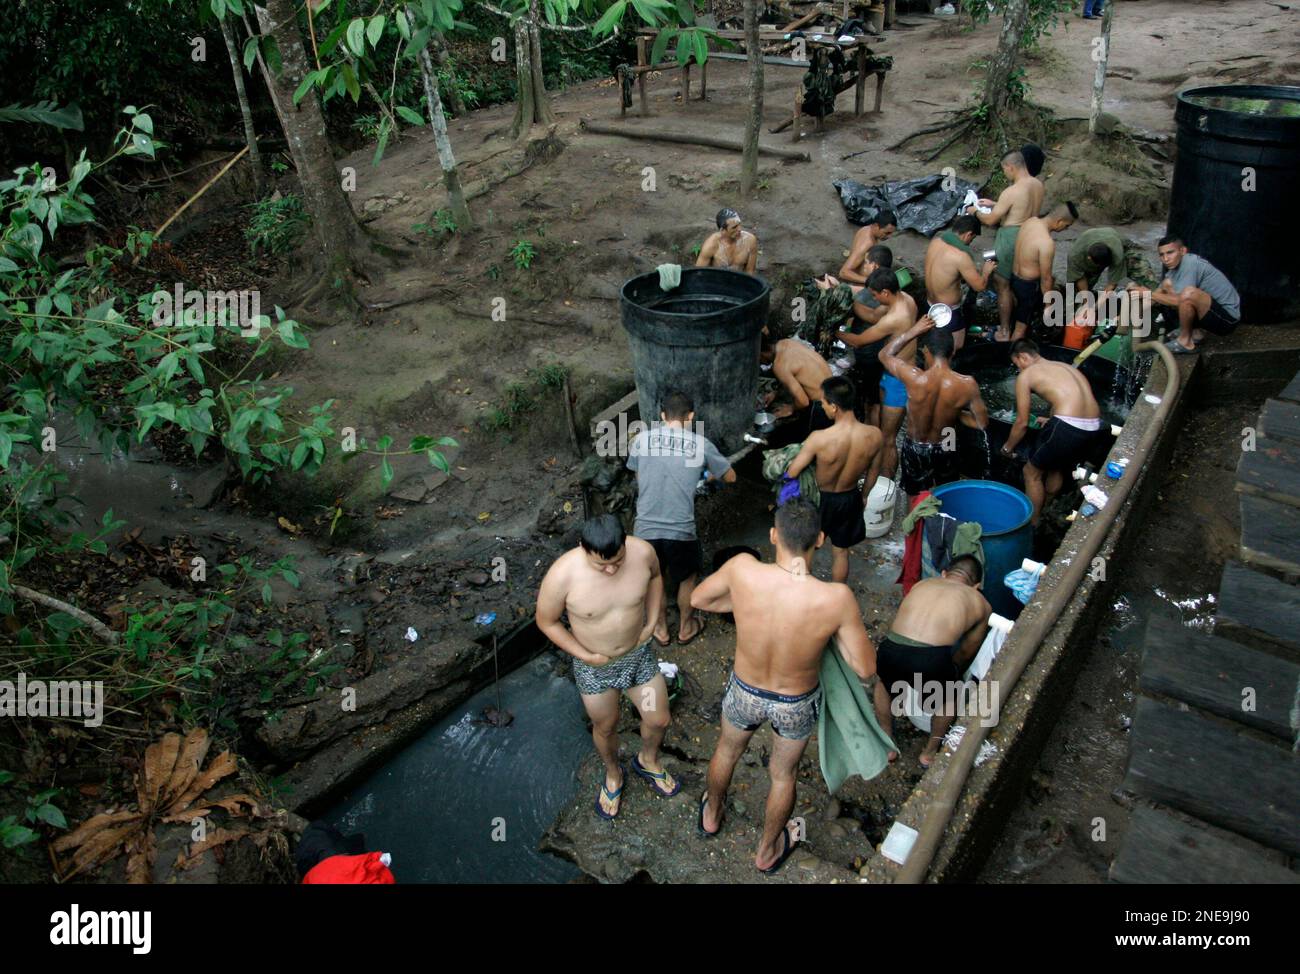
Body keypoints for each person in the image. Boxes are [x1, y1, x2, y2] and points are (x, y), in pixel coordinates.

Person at [691, 500, 877, 874]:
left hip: (745, 689)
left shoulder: (741, 570)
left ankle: (712, 814)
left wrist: (742, 605)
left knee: (727, 751)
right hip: (795, 701)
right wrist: (829, 636)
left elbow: (698, 599)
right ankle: (767, 850)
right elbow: (866, 669)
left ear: (773, 535)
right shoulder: (835, 599)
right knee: (782, 775)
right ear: (820, 540)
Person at [535, 515, 679, 819]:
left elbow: (655, 579)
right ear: (583, 549)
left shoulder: (642, 553)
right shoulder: (562, 574)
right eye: (602, 565)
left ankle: (648, 760)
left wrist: (652, 621)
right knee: (606, 725)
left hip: (637, 655)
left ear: (625, 544)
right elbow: (546, 621)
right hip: (595, 666)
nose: (612, 569)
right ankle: (614, 773)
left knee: (658, 719)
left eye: (617, 560)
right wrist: (584, 656)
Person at [627, 391, 736, 646]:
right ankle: (686, 627)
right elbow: (730, 477)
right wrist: (706, 475)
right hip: (681, 531)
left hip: (644, 530)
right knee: (687, 578)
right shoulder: (701, 444)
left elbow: (640, 478)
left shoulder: (641, 440)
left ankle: (661, 629)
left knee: (656, 578)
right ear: (690, 417)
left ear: (662, 416)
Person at [871, 555, 990, 768]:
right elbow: (966, 652)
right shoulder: (980, 602)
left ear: (944, 574)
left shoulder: (922, 584)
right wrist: (951, 673)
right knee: (950, 697)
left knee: (884, 684)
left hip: (891, 647)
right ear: (977, 585)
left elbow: (902, 620)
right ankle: (929, 753)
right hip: (931, 658)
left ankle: (887, 744)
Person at [785, 376, 883, 583]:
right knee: (841, 552)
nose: (822, 407)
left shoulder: (819, 438)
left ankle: (799, 593)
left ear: (834, 406)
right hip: (849, 497)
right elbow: (874, 470)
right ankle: (839, 594)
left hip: (819, 500)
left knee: (805, 549)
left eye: (823, 403)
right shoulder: (875, 435)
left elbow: (793, 471)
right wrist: (864, 496)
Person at [880, 316, 989, 501]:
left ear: (926, 351)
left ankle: (914, 527)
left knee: (914, 497)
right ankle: (943, 523)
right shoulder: (967, 384)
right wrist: (954, 414)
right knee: (946, 492)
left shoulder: (914, 377)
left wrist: (913, 331)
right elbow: (981, 423)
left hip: (916, 444)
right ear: (952, 352)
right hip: (947, 440)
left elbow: (884, 355)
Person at [1000, 339, 1102, 524]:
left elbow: (1022, 422)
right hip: (1093, 425)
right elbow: (1069, 399)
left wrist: (1008, 447)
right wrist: (1052, 420)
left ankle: (1031, 524)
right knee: (1055, 467)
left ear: (1022, 357)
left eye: (1017, 365)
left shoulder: (1027, 375)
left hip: (1067, 425)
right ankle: (1046, 509)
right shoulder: (1064, 366)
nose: (1019, 370)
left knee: (1031, 472)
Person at [844, 267, 917, 488]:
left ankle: (886, 487)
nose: (874, 298)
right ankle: (879, 477)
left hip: (898, 380)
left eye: (875, 295)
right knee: (885, 433)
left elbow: (859, 341)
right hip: (893, 373)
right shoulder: (906, 300)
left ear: (885, 292)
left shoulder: (896, 317)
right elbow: (873, 315)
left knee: (888, 439)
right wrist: (850, 296)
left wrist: (834, 332)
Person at [968, 150, 1045, 341]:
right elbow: (1021, 207)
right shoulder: (1037, 185)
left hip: (1010, 238)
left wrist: (975, 211)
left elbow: (990, 220)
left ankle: (1004, 330)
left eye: (1005, 170)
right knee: (1020, 279)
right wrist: (995, 203)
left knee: (1002, 283)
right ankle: (1019, 323)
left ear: (1010, 167)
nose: (1005, 174)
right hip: (1029, 234)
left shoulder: (1011, 191)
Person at [1128, 235, 1240, 354]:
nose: (1166, 258)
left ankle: (1185, 341)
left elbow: (1179, 300)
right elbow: (1153, 299)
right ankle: (1196, 333)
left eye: (1170, 252)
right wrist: (1128, 306)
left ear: (1183, 251)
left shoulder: (1190, 262)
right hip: (1210, 313)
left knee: (1188, 294)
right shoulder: (1172, 273)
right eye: (1162, 255)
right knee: (1167, 285)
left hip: (1227, 319)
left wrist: (1148, 293)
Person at [836, 244, 893, 425]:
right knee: (873, 396)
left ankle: (872, 433)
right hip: (880, 354)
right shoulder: (890, 286)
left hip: (870, 354)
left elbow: (868, 322)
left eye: (866, 263)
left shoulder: (873, 295)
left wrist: (833, 332)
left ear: (874, 266)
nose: (864, 266)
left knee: (872, 402)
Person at [923, 214, 997, 353]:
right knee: (954, 348)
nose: (970, 242)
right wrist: (986, 271)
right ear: (969, 234)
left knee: (934, 344)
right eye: (972, 238)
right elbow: (979, 286)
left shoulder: (936, 241)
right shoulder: (960, 256)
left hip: (930, 305)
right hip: (948, 311)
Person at [1010, 201, 1078, 341]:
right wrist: (1048, 305)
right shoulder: (1046, 243)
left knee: (1016, 318)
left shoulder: (1031, 221)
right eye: (1066, 226)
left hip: (1014, 278)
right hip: (1028, 286)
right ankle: (1012, 358)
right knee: (1020, 327)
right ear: (1059, 221)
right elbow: (1045, 278)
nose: (1065, 229)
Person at [761, 335, 834, 432]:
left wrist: (789, 409)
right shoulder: (787, 342)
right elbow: (797, 374)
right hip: (835, 392)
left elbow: (803, 402)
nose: (760, 363)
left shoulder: (779, 366)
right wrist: (775, 393)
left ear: (761, 354)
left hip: (822, 407)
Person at [834, 210, 898, 289]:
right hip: (857, 284)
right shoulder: (867, 244)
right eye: (887, 233)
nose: (889, 237)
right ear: (876, 226)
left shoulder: (867, 229)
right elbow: (843, 272)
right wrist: (871, 280)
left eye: (891, 233)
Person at [697, 207, 758, 274]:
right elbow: (699, 273)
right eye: (734, 227)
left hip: (740, 281)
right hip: (717, 281)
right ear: (722, 230)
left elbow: (750, 271)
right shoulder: (711, 245)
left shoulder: (750, 241)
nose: (739, 229)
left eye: (739, 224)